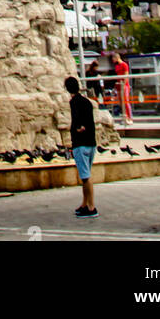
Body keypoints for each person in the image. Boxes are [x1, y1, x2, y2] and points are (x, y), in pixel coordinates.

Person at [65, 77, 98, 218]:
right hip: (91, 143)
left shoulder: (74, 102)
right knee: (86, 175)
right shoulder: (87, 101)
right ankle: (84, 204)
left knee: (85, 177)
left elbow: (76, 119)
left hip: (81, 143)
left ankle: (91, 207)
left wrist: (78, 128)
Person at [112, 52, 132, 124]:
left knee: (126, 101)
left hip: (124, 84)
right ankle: (125, 116)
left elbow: (126, 75)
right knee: (121, 102)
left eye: (113, 58)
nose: (113, 60)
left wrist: (124, 84)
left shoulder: (124, 65)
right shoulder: (116, 66)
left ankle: (130, 117)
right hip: (118, 85)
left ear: (117, 58)